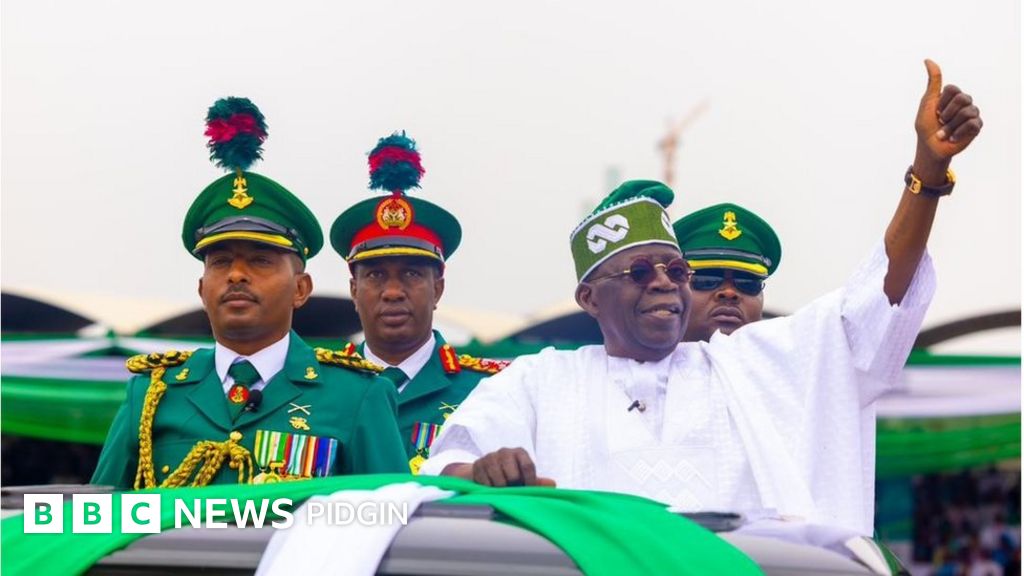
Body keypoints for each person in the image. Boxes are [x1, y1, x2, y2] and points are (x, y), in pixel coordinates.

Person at [422, 60, 983, 535]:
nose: (664, 282)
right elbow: (446, 466)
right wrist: (484, 470)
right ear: (590, 298)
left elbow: (874, 303)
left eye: (675, 268)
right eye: (640, 271)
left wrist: (926, 177)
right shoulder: (538, 382)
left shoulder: (756, 365)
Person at [92, 98, 407, 489]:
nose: (237, 275)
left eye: (260, 261)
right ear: (202, 289)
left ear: (300, 289)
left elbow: (391, 521)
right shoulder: (153, 393)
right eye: (220, 262)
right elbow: (98, 518)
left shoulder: (358, 394)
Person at [329, 132, 508, 474]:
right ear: (354, 289)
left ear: (437, 288)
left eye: (411, 274)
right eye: (376, 276)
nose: (393, 291)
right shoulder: (324, 388)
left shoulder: (487, 390)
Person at [673, 203, 780, 342]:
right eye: (707, 280)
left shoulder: (787, 363)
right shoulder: (638, 363)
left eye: (748, 283)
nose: (729, 292)